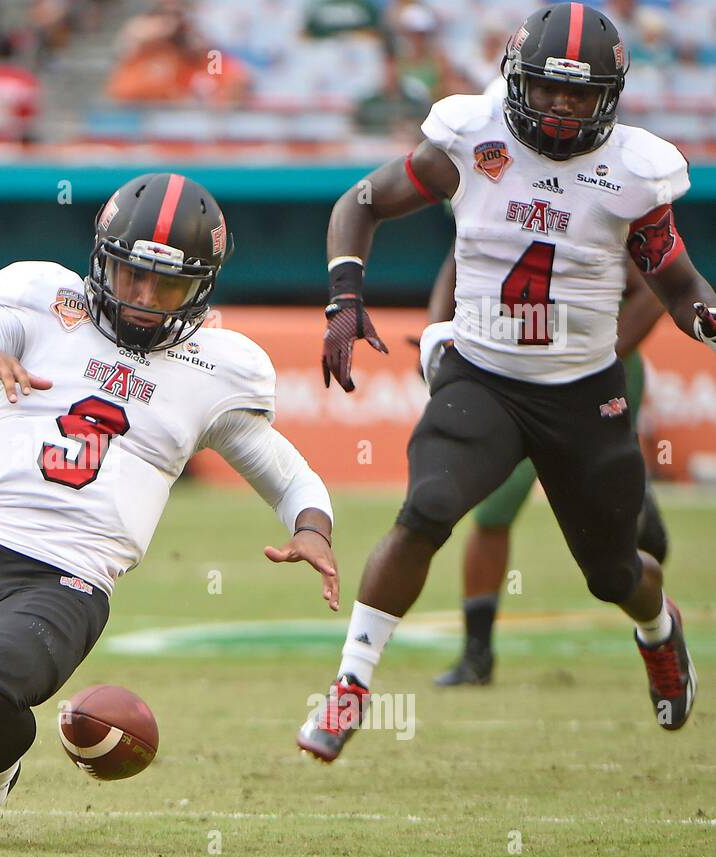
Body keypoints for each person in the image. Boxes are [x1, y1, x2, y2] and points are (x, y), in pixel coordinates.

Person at [0, 173, 337, 844]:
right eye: (129, 274)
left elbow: (288, 476)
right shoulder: (43, 301)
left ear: (198, 289)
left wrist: (312, 528)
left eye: (163, 285)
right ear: (101, 258)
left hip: (67, 576)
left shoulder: (216, 369)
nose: (140, 298)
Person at [299, 3, 711, 762]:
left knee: (613, 572)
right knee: (426, 509)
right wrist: (344, 299)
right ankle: (351, 685)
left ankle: (659, 629)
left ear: (608, 100)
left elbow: (678, 285)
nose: (558, 108)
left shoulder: (634, 169)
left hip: (584, 389)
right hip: (483, 372)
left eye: (578, 95)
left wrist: (709, 321)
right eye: (546, 90)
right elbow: (360, 203)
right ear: (514, 81)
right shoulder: (471, 136)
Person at [429, 248, 669, 686]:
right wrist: (438, 333)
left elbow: (652, 290)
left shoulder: (594, 191)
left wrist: (598, 362)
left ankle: (634, 506)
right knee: (495, 507)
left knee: (606, 525)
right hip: (515, 377)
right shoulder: (491, 188)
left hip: (586, 376)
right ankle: (476, 653)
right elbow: (456, 259)